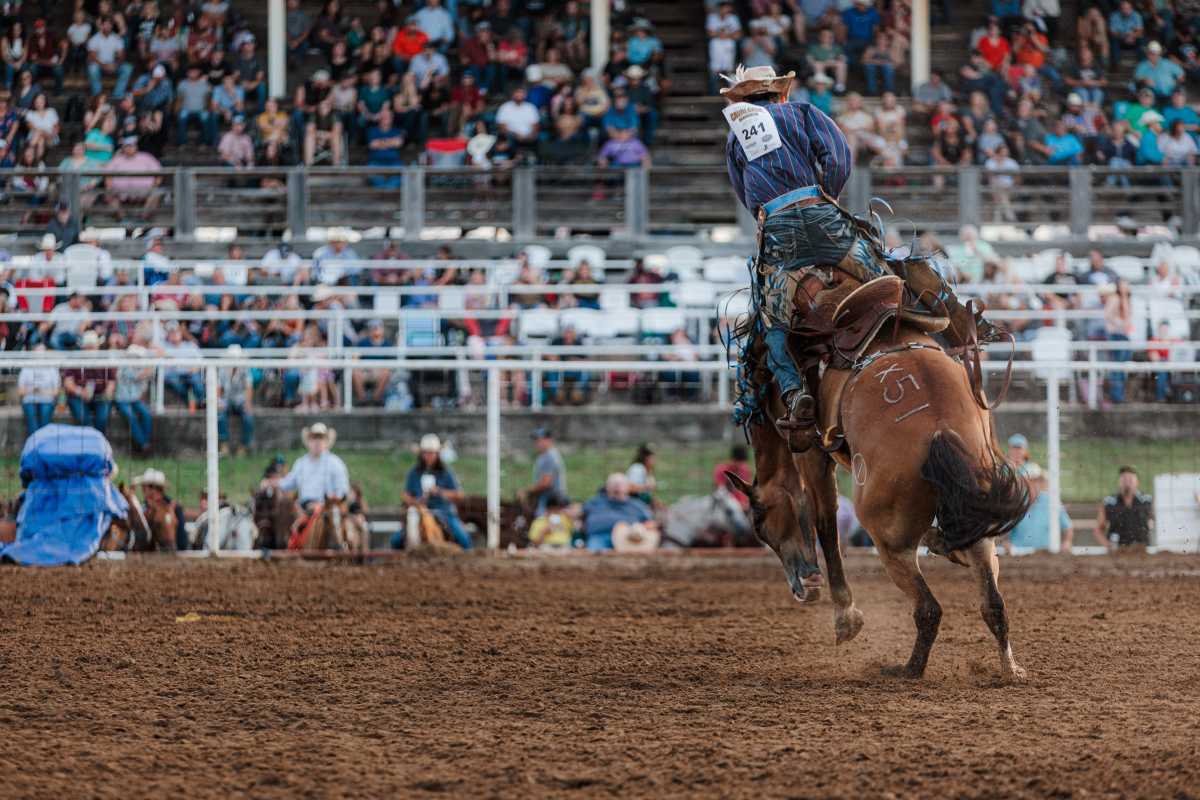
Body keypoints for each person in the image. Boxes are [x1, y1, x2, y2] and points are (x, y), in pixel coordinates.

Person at [721, 65, 992, 438]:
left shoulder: (736, 136)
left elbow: (745, 194)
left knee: (773, 325)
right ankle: (962, 325)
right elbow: (838, 156)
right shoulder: (801, 112)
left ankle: (796, 393)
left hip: (780, 236)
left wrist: (772, 215)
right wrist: (826, 195)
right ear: (779, 93)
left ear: (744, 99)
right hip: (823, 219)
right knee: (892, 269)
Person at [398, 434, 472, 550]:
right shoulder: (414, 472)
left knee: (464, 539)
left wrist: (440, 491)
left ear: (437, 454)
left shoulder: (446, 472)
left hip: (444, 512)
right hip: (420, 511)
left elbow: (459, 494)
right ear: (421, 454)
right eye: (426, 453)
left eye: (432, 453)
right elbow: (405, 495)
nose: (428, 456)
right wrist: (416, 501)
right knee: (396, 540)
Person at [278, 422, 351, 534]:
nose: (317, 442)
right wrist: (271, 483)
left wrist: (323, 506)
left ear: (326, 442)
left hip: (327, 510)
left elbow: (342, 490)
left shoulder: (336, 464)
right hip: (303, 510)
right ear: (309, 441)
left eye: (321, 438)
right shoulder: (301, 463)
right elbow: (287, 483)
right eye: (314, 438)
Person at [580, 473, 656, 551]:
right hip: (600, 536)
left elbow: (651, 523)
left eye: (620, 484)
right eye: (613, 484)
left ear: (628, 487)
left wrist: (638, 528)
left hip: (628, 539)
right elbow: (579, 514)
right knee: (594, 553)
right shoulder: (595, 502)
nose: (616, 487)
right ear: (607, 487)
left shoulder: (637, 505)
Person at [1006, 464, 1072, 552]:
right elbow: (1004, 532)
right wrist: (1006, 543)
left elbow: (1067, 527)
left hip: (1047, 555)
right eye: (1031, 480)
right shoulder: (1014, 503)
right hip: (1019, 556)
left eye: (1038, 480)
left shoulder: (1052, 501)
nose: (1035, 484)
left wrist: (1067, 542)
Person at [62, 330, 115, 434]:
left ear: (97, 347)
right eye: (88, 347)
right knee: (83, 418)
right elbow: (68, 382)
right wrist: (80, 391)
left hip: (100, 396)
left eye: (92, 347)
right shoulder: (74, 359)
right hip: (78, 396)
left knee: (102, 418)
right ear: (83, 347)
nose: (90, 350)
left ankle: (98, 443)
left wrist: (108, 392)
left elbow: (111, 380)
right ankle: (92, 443)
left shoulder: (105, 359)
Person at [1096, 466, 1153, 549]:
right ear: (1119, 482)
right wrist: (1108, 546)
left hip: (1142, 550)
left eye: (1130, 479)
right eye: (1124, 479)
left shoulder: (1147, 501)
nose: (1127, 482)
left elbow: (1159, 523)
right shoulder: (1109, 502)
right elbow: (1098, 529)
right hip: (1117, 551)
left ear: (1137, 482)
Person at [131, 468, 188, 551]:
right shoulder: (144, 508)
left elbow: (182, 542)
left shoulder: (174, 508)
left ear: (153, 489)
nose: (143, 491)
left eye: (144, 487)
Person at [114, 342, 155, 454]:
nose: (136, 359)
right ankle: (144, 445)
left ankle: (144, 445)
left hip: (135, 399)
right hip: (122, 399)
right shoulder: (124, 367)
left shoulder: (140, 367)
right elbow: (138, 376)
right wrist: (152, 366)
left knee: (146, 415)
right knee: (131, 417)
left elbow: (143, 384)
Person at [518, 426, 567, 516]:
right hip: (549, 497)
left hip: (551, 499)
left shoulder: (549, 457)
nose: (537, 443)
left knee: (539, 520)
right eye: (535, 440)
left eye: (539, 440)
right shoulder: (546, 455)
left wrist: (526, 491)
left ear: (549, 440)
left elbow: (546, 483)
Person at [217, 344, 255, 455]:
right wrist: (218, 401)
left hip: (240, 399)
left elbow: (249, 386)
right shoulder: (223, 368)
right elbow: (218, 387)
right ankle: (224, 444)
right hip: (226, 399)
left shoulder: (244, 368)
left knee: (248, 417)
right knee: (220, 414)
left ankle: (243, 445)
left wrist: (247, 403)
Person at [18, 343, 58, 436]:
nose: (40, 354)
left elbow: (56, 392)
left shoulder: (52, 369)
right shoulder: (26, 368)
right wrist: (33, 391)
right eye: (38, 351)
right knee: (32, 419)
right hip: (29, 399)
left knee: (45, 414)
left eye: (42, 352)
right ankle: (35, 443)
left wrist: (42, 392)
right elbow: (20, 391)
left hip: (47, 399)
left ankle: (43, 441)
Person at [713, 444, 752, 511]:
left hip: (743, 503)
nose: (741, 465)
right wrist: (738, 504)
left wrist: (746, 502)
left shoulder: (745, 470)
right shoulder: (721, 469)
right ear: (733, 459)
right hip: (726, 503)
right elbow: (720, 490)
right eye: (739, 463)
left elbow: (747, 489)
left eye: (742, 463)